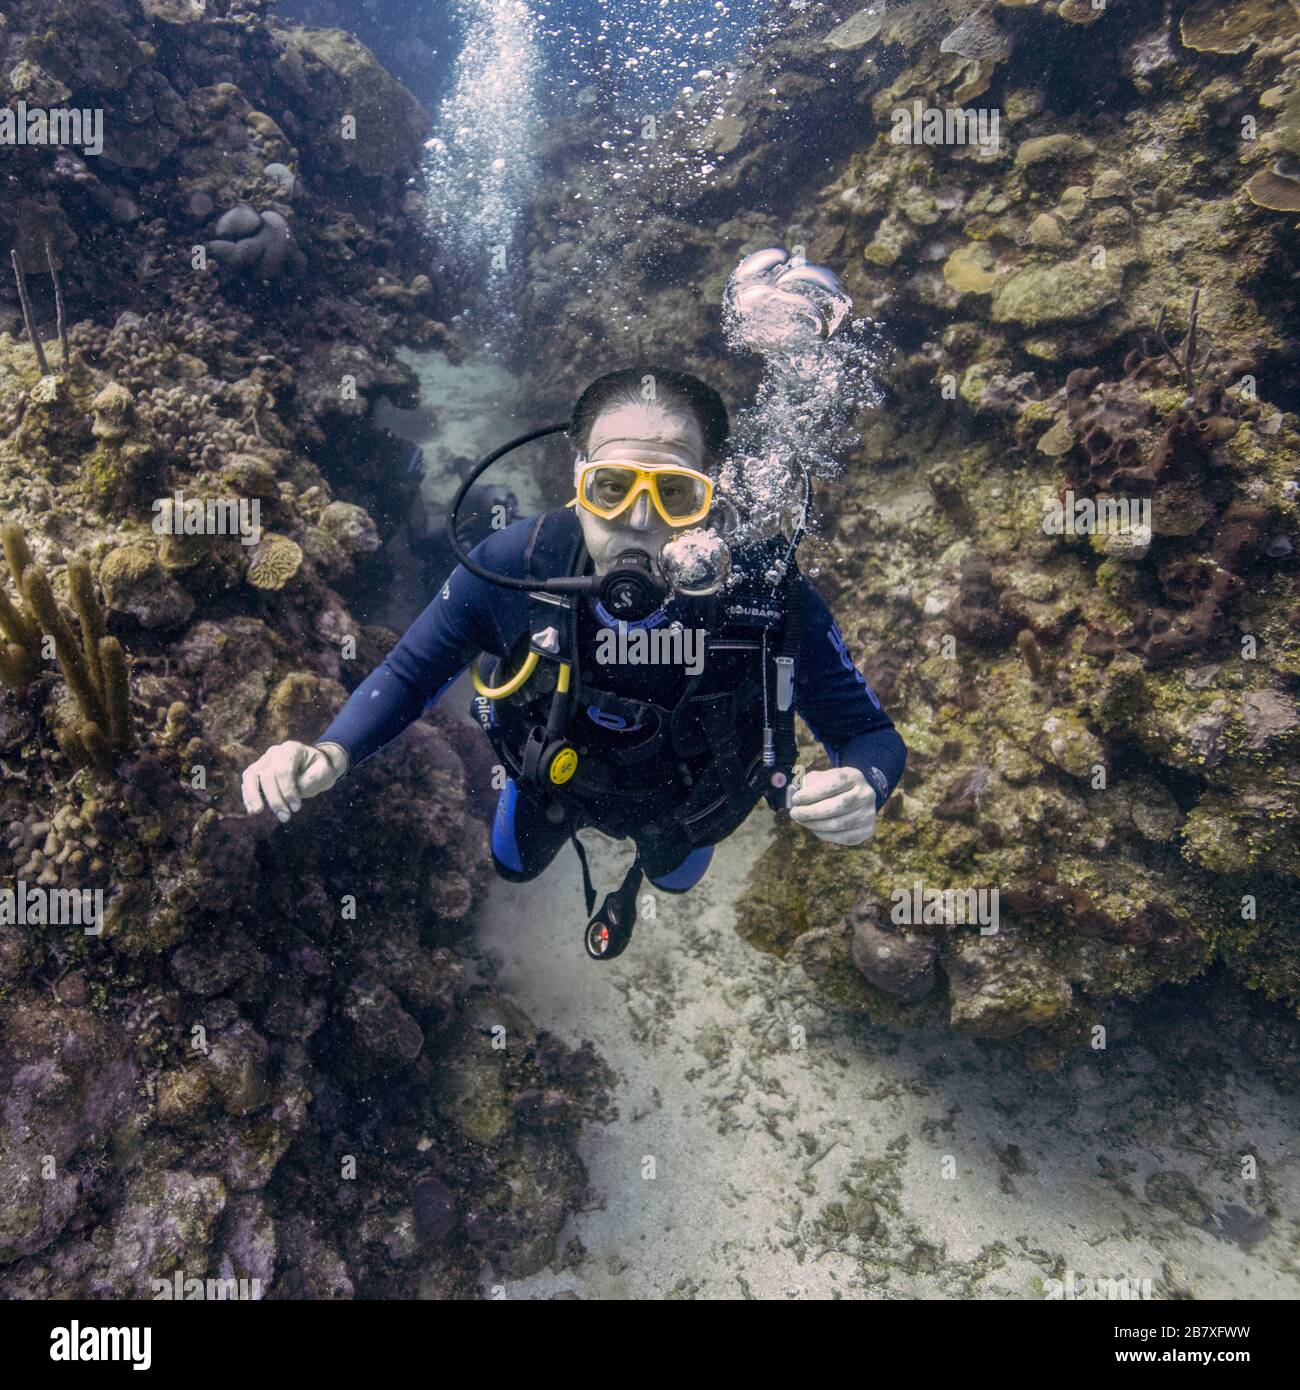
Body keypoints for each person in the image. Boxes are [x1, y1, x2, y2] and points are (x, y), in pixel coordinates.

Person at [242, 367, 907, 955]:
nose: (640, 520)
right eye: (612, 487)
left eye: (675, 493)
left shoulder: (767, 596)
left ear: (713, 494)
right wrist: (331, 752)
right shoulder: (513, 566)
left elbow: (868, 736)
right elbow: (410, 675)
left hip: (691, 807)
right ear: (577, 479)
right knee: (511, 865)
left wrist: (864, 784)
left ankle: (653, 863)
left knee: (673, 878)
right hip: (547, 783)